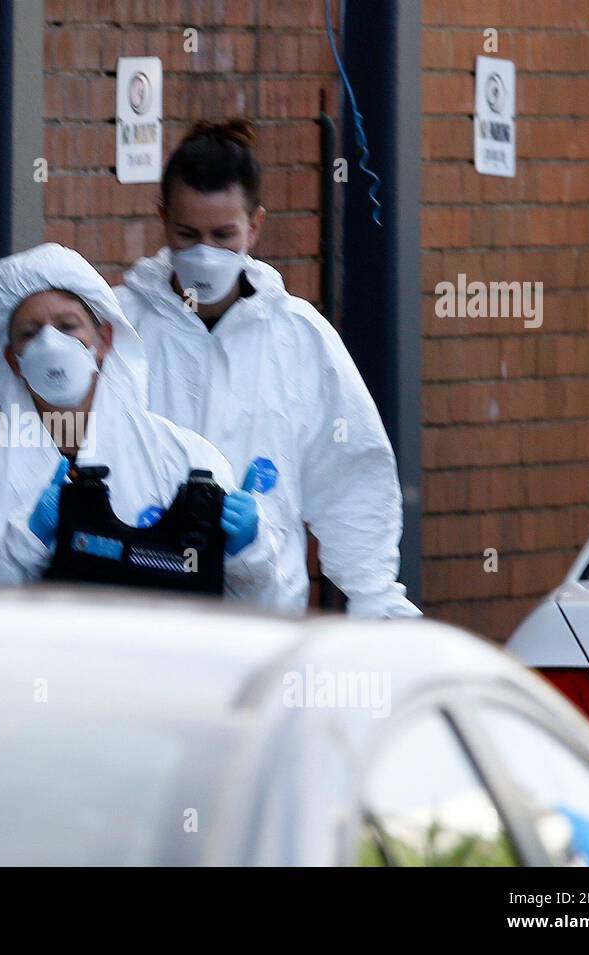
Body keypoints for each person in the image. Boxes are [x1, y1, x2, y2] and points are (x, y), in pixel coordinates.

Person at [115, 119, 419, 618]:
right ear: (163, 219)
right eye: (187, 235)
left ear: (255, 226)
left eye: (223, 235)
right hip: (139, 621)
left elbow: (351, 473)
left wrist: (375, 598)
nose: (204, 254)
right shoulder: (120, 327)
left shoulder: (298, 338)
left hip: (262, 627)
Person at [0, 242, 287, 602]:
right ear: (13, 359)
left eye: (68, 326)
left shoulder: (181, 457)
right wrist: (27, 541)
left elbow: (252, 599)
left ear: (105, 339)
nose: (51, 343)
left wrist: (249, 550)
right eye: (31, 333)